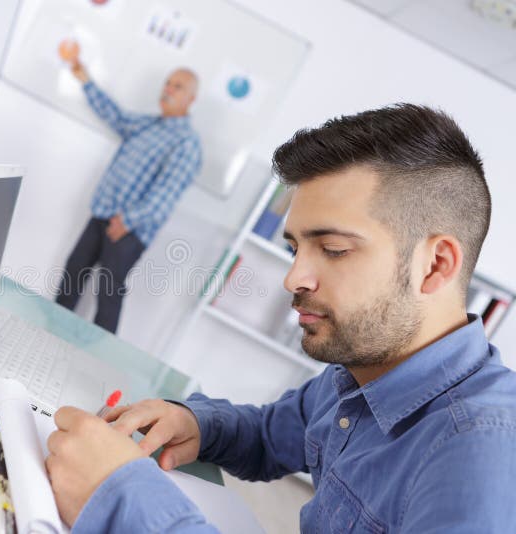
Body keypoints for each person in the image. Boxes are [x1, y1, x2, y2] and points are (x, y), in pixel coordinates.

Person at [44, 104, 516, 532]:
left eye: (333, 250)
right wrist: (196, 422)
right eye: (294, 249)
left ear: (434, 265)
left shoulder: (480, 453)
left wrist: (120, 497)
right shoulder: (363, 368)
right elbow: (270, 434)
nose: (293, 278)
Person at [54, 43, 202, 333]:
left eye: (178, 87)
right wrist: (84, 78)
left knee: (108, 295)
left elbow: (165, 197)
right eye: (168, 84)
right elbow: (116, 117)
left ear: (191, 98)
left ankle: (97, 362)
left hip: (128, 229)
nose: (168, 90)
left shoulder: (187, 143)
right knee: (73, 273)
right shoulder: (148, 124)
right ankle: (48, 331)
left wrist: (127, 221)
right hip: (102, 214)